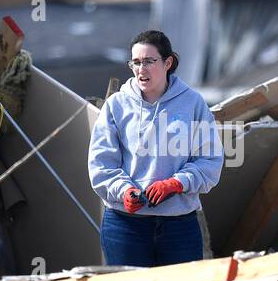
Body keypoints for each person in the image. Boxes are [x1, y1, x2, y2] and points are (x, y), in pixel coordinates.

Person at [88, 30, 224, 267]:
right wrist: (123, 191)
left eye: (149, 61)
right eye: (136, 62)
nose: (142, 69)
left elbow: (210, 161)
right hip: (125, 225)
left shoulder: (193, 103)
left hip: (179, 227)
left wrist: (177, 182)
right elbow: (101, 165)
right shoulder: (116, 106)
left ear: (167, 62)